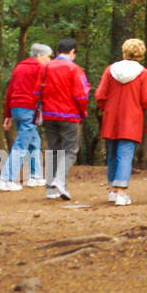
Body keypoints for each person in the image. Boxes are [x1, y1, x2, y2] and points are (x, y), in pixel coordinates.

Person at [95, 38, 147, 206]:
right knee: (125, 153)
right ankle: (122, 192)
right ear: (141, 54)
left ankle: (112, 190)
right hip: (132, 117)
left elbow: (100, 95)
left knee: (112, 153)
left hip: (111, 116)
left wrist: (105, 108)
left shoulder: (110, 70)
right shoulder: (144, 74)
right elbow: (146, 99)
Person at [41, 38, 90, 201]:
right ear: (72, 52)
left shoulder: (45, 68)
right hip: (69, 114)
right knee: (70, 150)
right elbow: (81, 95)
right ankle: (60, 181)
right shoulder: (74, 69)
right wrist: (82, 112)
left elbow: (36, 91)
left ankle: (50, 188)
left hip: (49, 114)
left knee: (53, 149)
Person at [0, 44, 51, 191]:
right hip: (29, 109)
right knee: (21, 144)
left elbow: (10, 91)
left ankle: (35, 176)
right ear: (39, 56)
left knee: (34, 141)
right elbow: (43, 89)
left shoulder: (19, 67)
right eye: (47, 56)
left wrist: (8, 114)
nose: (49, 60)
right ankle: (6, 179)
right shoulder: (40, 68)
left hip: (16, 108)